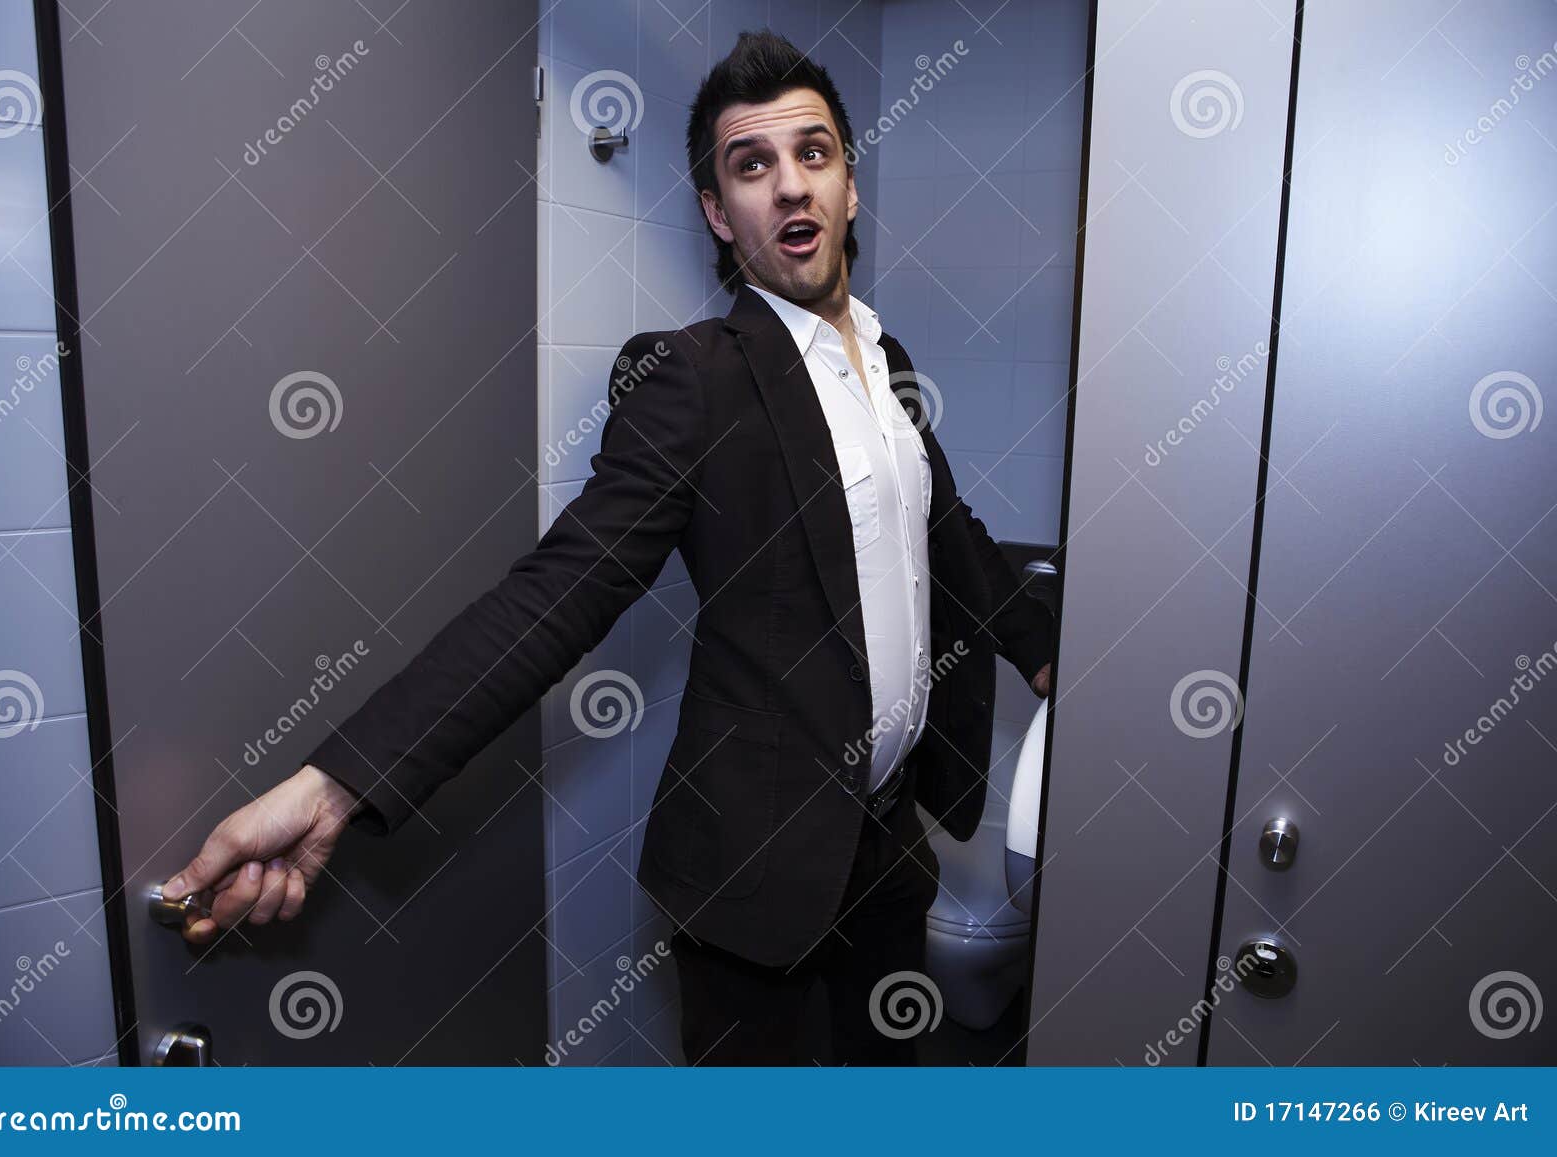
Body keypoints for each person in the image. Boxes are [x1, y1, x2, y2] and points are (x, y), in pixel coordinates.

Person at [160, 29, 1054, 1065]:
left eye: (813, 153)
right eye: (750, 166)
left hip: (891, 850)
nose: (789, 187)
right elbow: (559, 593)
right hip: (751, 870)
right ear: (720, 215)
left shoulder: (888, 355)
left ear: (851, 183)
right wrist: (336, 781)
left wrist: (1051, 651)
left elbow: (950, 537)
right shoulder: (691, 376)